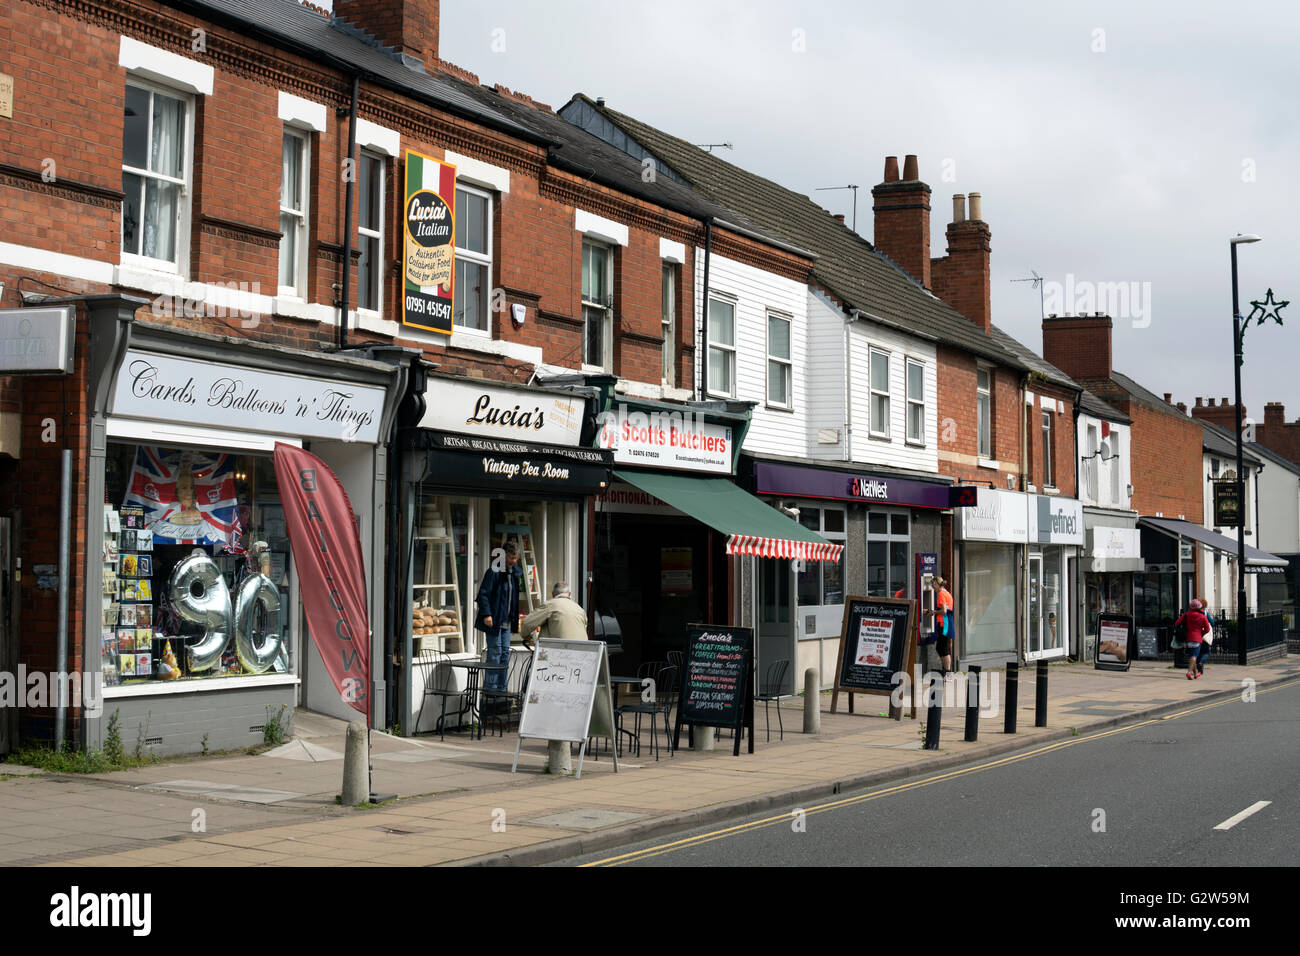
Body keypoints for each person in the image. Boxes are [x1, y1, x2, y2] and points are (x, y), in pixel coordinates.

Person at [475, 541, 522, 691]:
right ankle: (491, 689)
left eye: (515, 558)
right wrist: (487, 614)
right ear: (503, 556)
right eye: (510, 558)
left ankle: (502, 688)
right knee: (495, 653)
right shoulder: (494, 572)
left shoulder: (513, 574)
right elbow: (483, 594)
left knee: (505, 654)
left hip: (506, 620)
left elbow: (513, 598)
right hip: (494, 619)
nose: (512, 561)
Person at [521, 581, 589, 645]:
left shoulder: (551, 605)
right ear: (569, 594)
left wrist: (527, 637)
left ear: (553, 594)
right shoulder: (579, 609)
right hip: (582, 652)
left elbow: (527, 623)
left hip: (557, 651)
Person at [920, 576, 955, 683]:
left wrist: (932, 612)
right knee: (941, 648)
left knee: (943, 648)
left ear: (936, 584)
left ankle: (948, 674)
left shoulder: (941, 594)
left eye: (932, 584)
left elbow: (944, 610)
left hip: (944, 624)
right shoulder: (946, 592)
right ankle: (946, 672)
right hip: (946, 623)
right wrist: (932, 612)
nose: (932, 586)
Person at [1174, 598, 1211, 680]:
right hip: (1197, 639)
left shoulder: (1186, 614)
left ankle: (1195, 674)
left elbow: (1177, 623)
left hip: (1187, 638)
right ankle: (1189, 672)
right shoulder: (1202, 616)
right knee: (1194, 656)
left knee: (1191, 656)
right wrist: (1201, 633)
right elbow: (1207, 629)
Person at [1196, 597, 1215, 676]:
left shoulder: (1193, 613)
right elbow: (1212, 623)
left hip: (1196, 635)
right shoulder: (1205, 613)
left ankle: (1199, 668)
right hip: (1205, 635)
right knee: (1206, 652)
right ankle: (1201, 663)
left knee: (1198, 652)